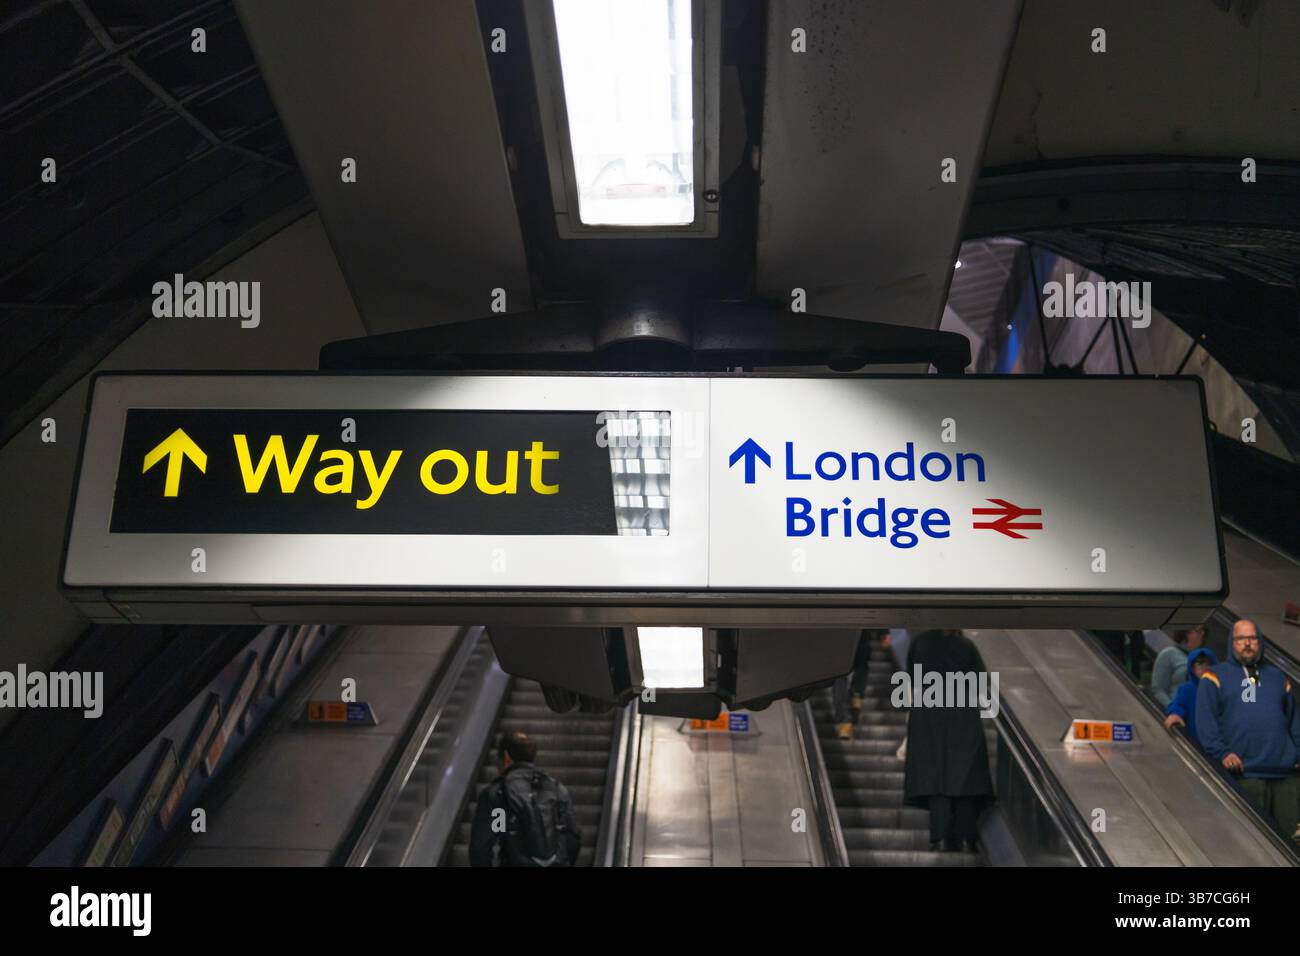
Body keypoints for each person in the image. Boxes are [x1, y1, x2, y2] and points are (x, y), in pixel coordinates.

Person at [1196, 619, 1300, 844]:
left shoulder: (1278, 677)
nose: (1247, 643)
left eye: (1252, 638)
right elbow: (1206, 722)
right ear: (1232, 643)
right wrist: (1222, 753)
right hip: (1245, 774)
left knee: (1292, 844)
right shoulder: (1214, 677)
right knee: (1251, 844)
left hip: (1285, 774)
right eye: (1241, 638)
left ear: (1259, 642)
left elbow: (1294, 721)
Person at [902, 629, 995, 853]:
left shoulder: (920, 643)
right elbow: (982, 683)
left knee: (935, 779)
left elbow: (910, 677)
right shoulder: (966, 646)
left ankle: (940, 838)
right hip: (962, 713)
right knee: (966, 777)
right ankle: (966, 838)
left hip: (928, 714)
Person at [468, 730, 581, 867]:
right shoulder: (557, 789)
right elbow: (573, 838)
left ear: (506, 756)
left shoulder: (499, 794)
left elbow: (481, 847)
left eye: (498, 758)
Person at [833, 629, 890, 740]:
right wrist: (883, 632)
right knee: (861, 666)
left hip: (840, 634)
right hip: (860, 633)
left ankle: (845, 722)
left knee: (839, 675)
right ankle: (856, 699)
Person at [1163, 647, 1217, 740]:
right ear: (1192, 668)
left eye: (1208, 664)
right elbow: (1178, 704)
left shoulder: (1221, 689)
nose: (1204, 669)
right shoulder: (1187, 689)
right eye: (1200, 664)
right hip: (1194, 742)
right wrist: (1175, 714)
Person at [1151, 627, 1205, 707]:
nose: (1202, 634)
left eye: (1203, 631)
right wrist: (1174, 710)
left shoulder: (1202, 659)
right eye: (1198, 631)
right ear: (1187, 633)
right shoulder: (1169, 654)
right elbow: (1158, 690)